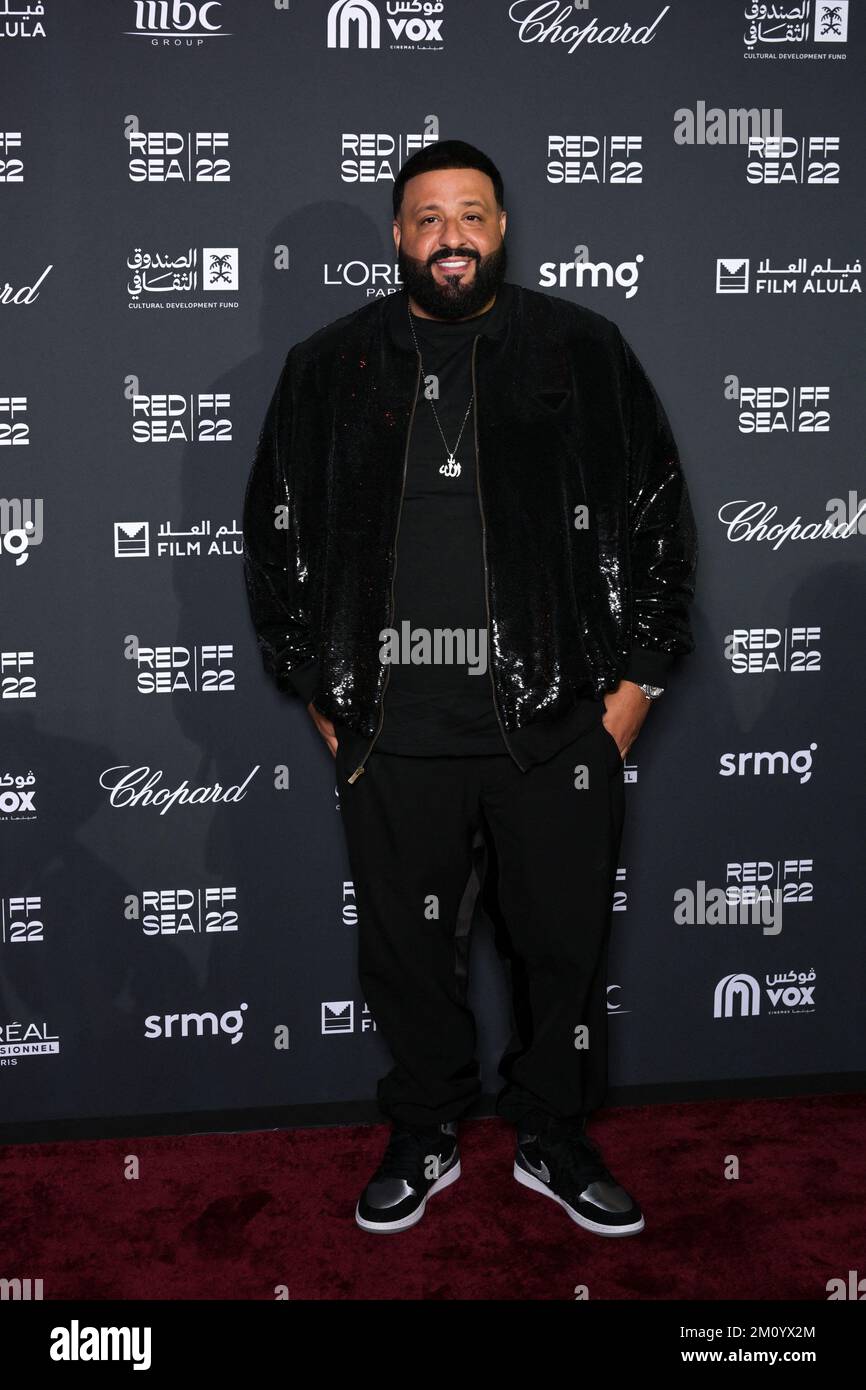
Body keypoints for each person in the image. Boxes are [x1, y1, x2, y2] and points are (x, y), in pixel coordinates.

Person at [242, 139, 698, 1238]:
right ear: (398, 239)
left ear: (501, 230)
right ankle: (428, 1126)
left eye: (472, 215)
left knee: (560, 951)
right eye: (428, 218)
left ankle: (551, 1131)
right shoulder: (326, 366)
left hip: (551, 723)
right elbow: (273, 533)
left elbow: (654, 518)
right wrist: (323, 696)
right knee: (405, 954)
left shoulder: (580, 351)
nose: (451, 235)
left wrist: (629, 694)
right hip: (392, 729)